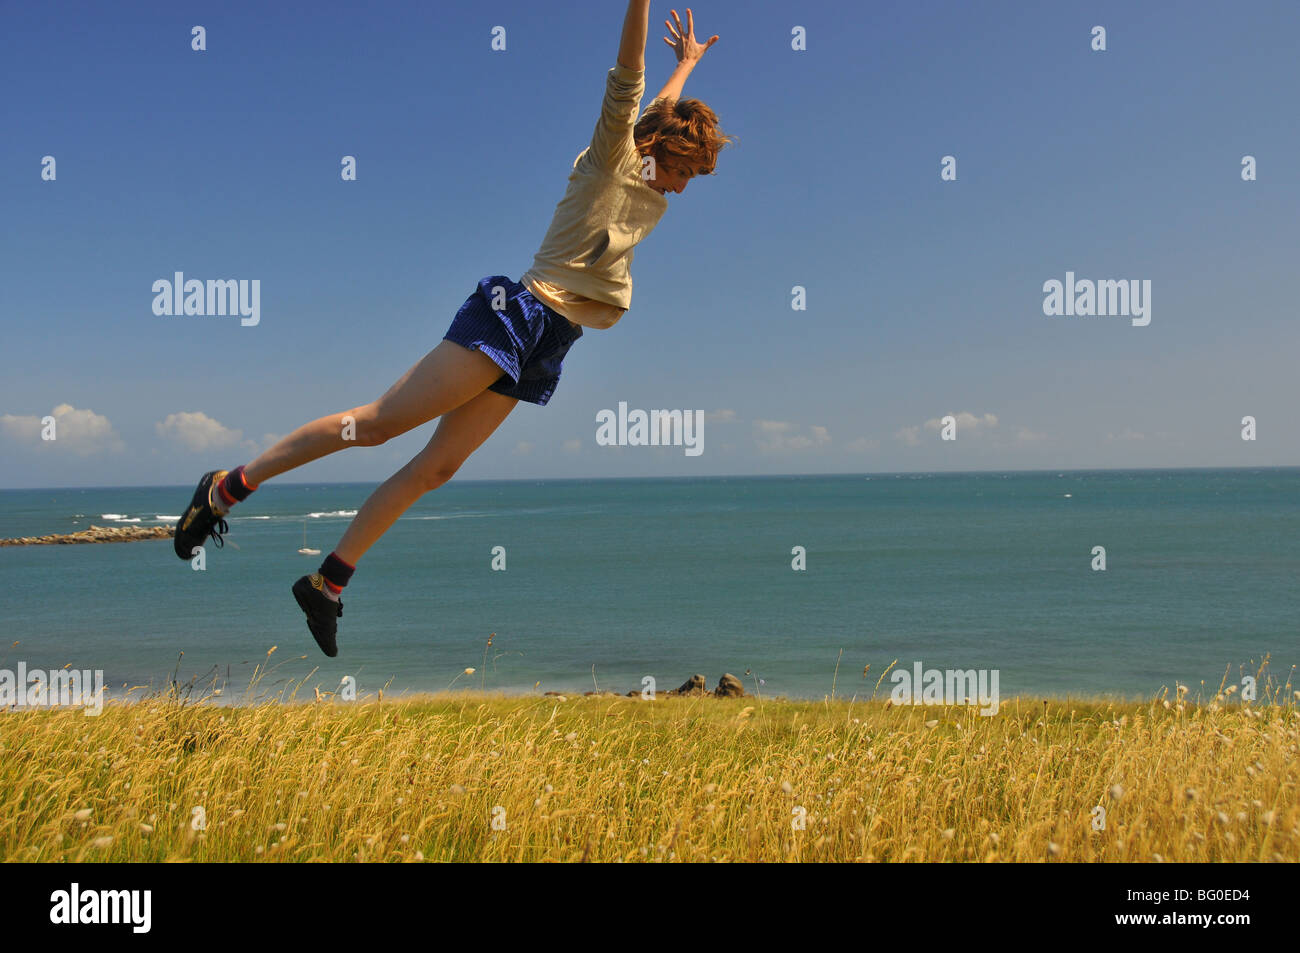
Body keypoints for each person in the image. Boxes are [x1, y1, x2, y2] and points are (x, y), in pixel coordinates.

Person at [172, 4, 731, 657]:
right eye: (684, 171)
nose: (684, 188)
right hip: (515, 317)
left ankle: (327, 582)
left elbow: (658, 110)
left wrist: (687, 66)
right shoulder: (611, 158)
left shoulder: (650, 178)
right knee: (377, 424)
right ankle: (228, 485)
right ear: (659, 151)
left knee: (436, 467)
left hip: (550, 341)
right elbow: (629, 85)